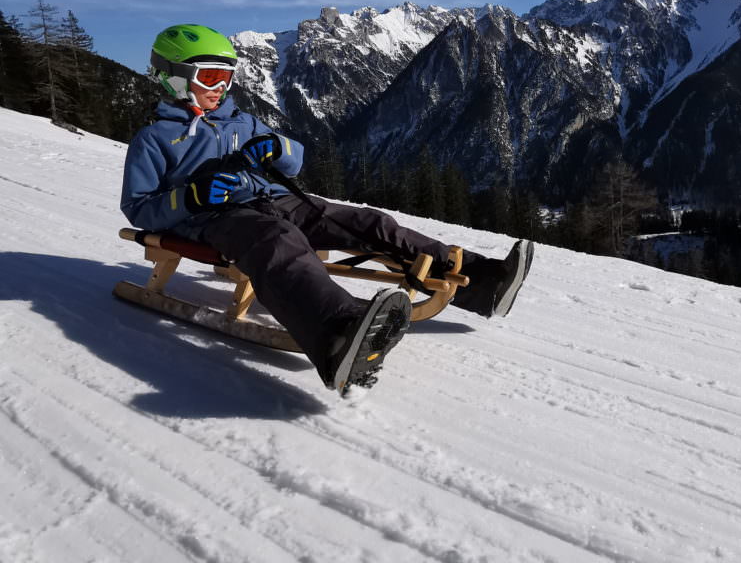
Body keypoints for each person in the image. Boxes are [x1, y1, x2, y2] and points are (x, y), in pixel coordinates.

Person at [121, 24, 533, 395]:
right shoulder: (155, 139)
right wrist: (192, 197)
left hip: (274, 199)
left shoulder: (242, 121)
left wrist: (277, 148)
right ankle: (338, 331)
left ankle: (483, 281)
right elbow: (139, 209)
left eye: (227, 77)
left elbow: (294, 160)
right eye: (210, 76)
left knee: (364, 221)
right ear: (173, 76)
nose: (221, 87)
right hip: (217, 219)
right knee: (278, 242)